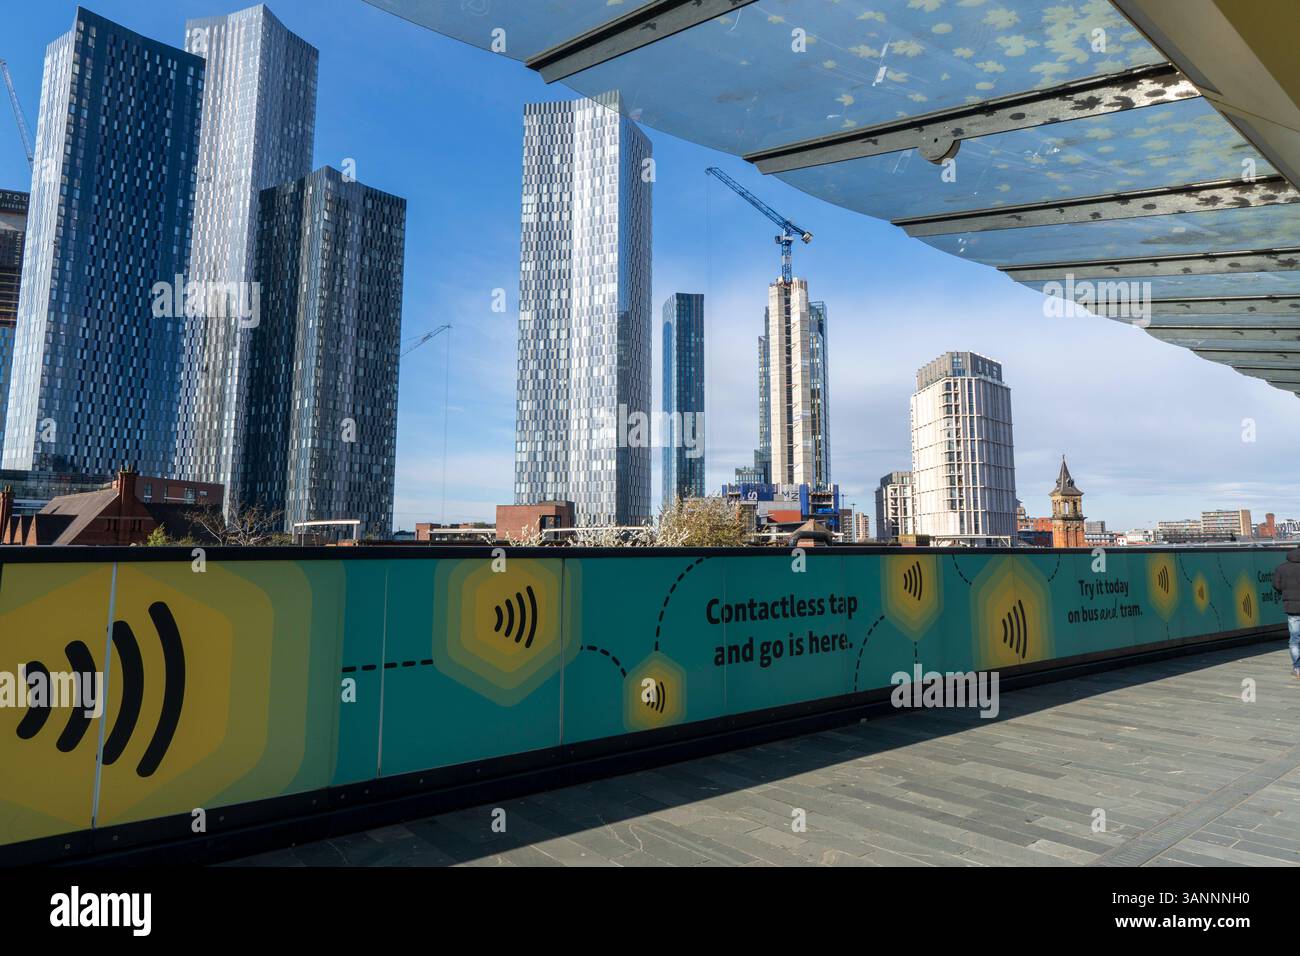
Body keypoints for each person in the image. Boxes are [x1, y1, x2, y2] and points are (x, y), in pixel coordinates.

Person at [1271, 548, 1300, 678]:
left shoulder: (1281, 568)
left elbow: (1276, 585)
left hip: (1291, 607)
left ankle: (1297, 668)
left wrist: (1287, 592)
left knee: (1294, 639)